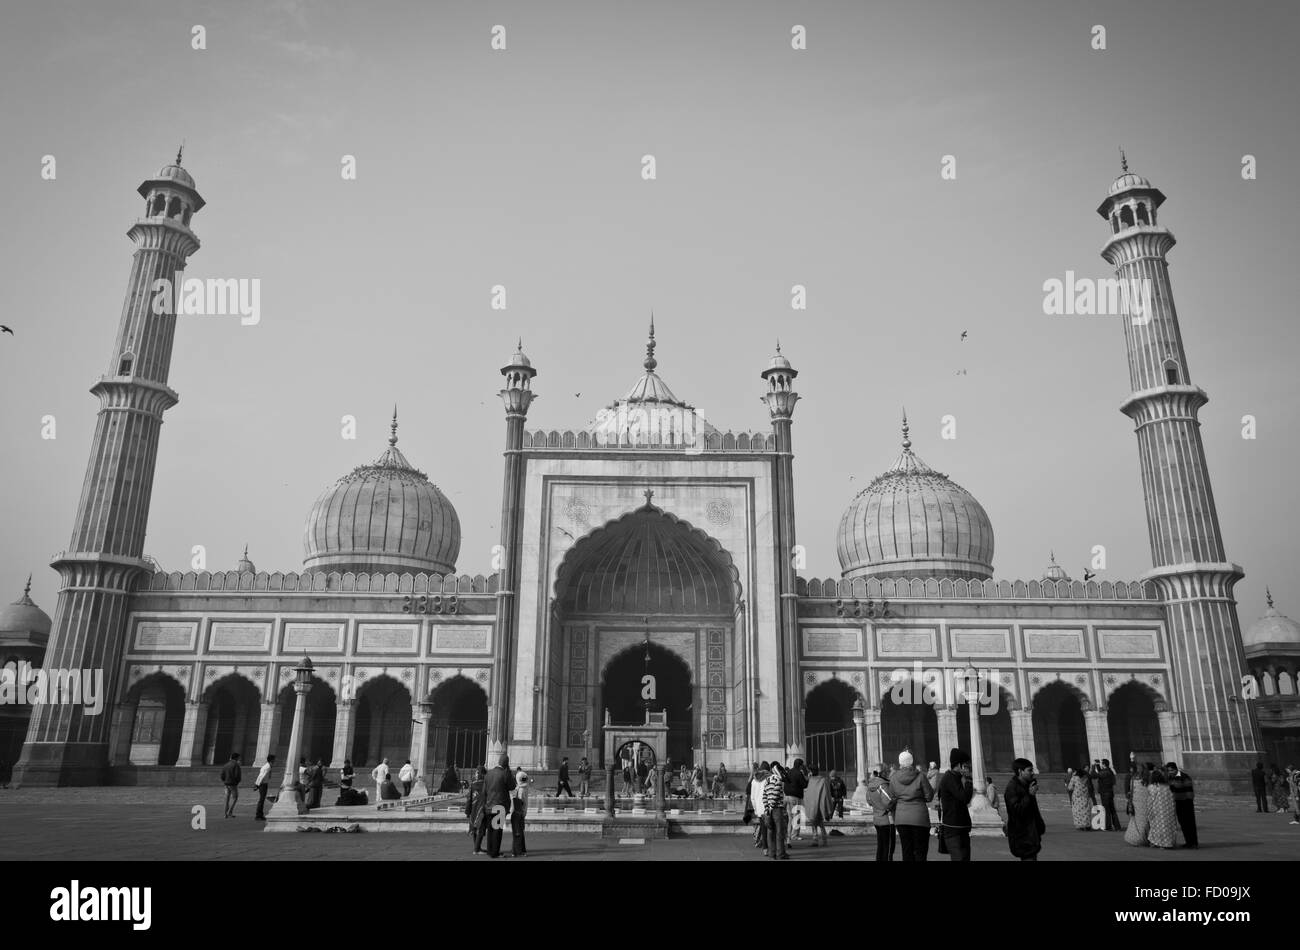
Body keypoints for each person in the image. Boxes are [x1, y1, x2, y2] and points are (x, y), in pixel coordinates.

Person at [889, 750, 934, 861]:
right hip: (919, 818)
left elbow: (892, 798)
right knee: (920, 851)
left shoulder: (894, 778)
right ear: (912, 761)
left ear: (900, 762)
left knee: (907, 851)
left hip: (902, 819)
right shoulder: (920, 776)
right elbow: (929, 796)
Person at [1003, 759, 1046, 861]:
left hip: (1031, 834)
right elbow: (1016, 810)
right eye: (1029, 770)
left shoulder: (1027, 785)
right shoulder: (1012, 788)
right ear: (1020, 771)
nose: (1032, 773)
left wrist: (1039, 826)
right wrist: (1030, 795)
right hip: (1022, 836)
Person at [937, 748, 974, 861]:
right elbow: (964, 798)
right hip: (953, 828)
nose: (969, 767)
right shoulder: (949, 778)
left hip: (961, 827)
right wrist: (968, 779)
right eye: (966, 764)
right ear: (959, 765)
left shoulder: (956, 778)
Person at [482, 754, 516, 858]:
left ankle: (490, 850)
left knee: (491, 829)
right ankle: (495, 853)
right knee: (497, 830)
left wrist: (485, 804)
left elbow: (484, 791)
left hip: (489, 805)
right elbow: (512, 786)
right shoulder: (505, 774)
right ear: (506, 763)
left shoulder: (489, 773)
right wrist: (509, 772)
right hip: (500, 806)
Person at [866, 765, 896, 861]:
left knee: (881, 846)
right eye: (886, 771)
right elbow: (888, 802)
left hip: (877, 818)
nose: (888, 773)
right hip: (887, 819)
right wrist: (896, 801)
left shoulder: (871, 785)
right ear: (882, 773)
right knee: (888, 848)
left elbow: (869, 801)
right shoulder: (883, 785)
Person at [1166, 762, 1197, 848]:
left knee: (1190, 823)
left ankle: (1193, 843)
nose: (1170, 772)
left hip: (1186, 802)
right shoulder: (1170, 777)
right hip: (1178, 802)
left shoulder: (1184, 776)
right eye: (1168, 771)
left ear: (1176, 769)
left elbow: (1189, 790)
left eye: (1171, 770)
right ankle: (1188, 842)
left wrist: (1188, 800)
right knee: (1182, 823)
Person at [1146, 768, 1179, 848]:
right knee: (1168, 826)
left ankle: (1157, 842)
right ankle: (1168, 843)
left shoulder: (1151, 787)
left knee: (1156, 826)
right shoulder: (1167, 787)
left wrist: (1148, 810)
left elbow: (1150, 800)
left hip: (1156, 810)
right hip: (1168, 810)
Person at [763, 763, 790, 859]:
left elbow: (764, 796)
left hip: (768, 810)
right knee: (779, 832)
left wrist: (767, 808)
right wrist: (771, 807)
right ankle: (780, 854)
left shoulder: (767, 780)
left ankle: (772, 853)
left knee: (770, 832)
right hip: (777, 809)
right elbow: (776, 793)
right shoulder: (777, 780)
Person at [803, 766, 834, 847]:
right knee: (818, 824)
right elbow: (826, 794)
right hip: (819, 804)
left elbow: (809, 793)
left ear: (811, 772)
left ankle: (817, 839)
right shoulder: (821, 780)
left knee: (816, 824)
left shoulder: (815, 780)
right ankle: (821, 840)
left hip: (814, 805)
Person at [783, 757, 809, 844]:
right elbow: (804, 785)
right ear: (800, 765)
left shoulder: (788, 772)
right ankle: (794, 835)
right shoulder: (799, 773)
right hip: (795, 797)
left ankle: (788, 835)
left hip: (787, 797)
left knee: (790, 817)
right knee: (797, 816)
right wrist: (807, 778)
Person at [1124, 764, 1151, 847]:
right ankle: (1148, 838)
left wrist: (1129, 800)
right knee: (1147, 821)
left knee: (1137, 821)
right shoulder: (1150, 779)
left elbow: (1131, 791)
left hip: (1137, 803)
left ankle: (1137, 838)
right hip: (1147, 802)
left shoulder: (1134, 779)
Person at [747, 762, 770, 854]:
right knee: (771, 828)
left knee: (763, 829)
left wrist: (756, 809)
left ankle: (765, 848)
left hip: (760, 809)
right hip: (768, 808)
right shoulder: (769, 779)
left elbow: (752, 797)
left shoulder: (754, 781)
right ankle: (772, 847)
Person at [466, 765, 488, 854]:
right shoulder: (486, 784)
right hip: (482, 809)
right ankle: (476, 849)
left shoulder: (473, 784)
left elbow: (469, 798)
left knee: (474, 828)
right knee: (481, 828)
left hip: (474, 809)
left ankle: (477, 847)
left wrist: (467, 811)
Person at [1067, 763, 1092, 830]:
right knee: (1086, 811)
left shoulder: (1074, 778)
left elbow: (1070, 788)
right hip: (1085, 796)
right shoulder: (1086, 778)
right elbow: (1089, 785)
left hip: (1077, 797)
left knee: (1077, 811)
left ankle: (1080, 825)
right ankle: (1087, 825)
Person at [511, 769, 530, 856]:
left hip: (517, 812)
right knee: (519, 832)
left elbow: (518, 802)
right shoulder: (523, 789)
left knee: (518, 832)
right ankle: (519, 850)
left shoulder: (520, 789)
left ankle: (518, 850)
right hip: (520, 813)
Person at [1097, 759, 1120, 831]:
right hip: (1110, 792)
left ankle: (1108, 826)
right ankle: (1117, 826)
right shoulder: (1110, 771)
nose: (1101, 765)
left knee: (1107, 810)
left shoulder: (1104, 772)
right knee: (1112, 810)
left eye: (1101, 764)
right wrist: (1098, 765)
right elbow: (1101, 773)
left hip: (1104, 793)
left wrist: (1094, 766)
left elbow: (1094, 775)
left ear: (1104, 764)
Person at [253, 754, 275, 821]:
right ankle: (258, 815)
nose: (275, 761)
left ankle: (260, 814)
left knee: (262, 800)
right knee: (261, 800)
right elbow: (261, 776)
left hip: (264, 784)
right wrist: (257, 785)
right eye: (274, 760)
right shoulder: (267, 767)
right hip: (262, 785)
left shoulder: (268, 766)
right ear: (272, 760)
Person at [220, 752, 242, 818]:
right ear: (236, 758)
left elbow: (222, 775)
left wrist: (225, 781)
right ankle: (230, 811)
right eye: (238, 757)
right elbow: (237, 775)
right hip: (232, 784)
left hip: (226, 784)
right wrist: (237, 782)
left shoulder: (226, 765)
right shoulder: (236, 765)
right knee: (235, 798)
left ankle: (225, 814)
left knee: (227, 799)